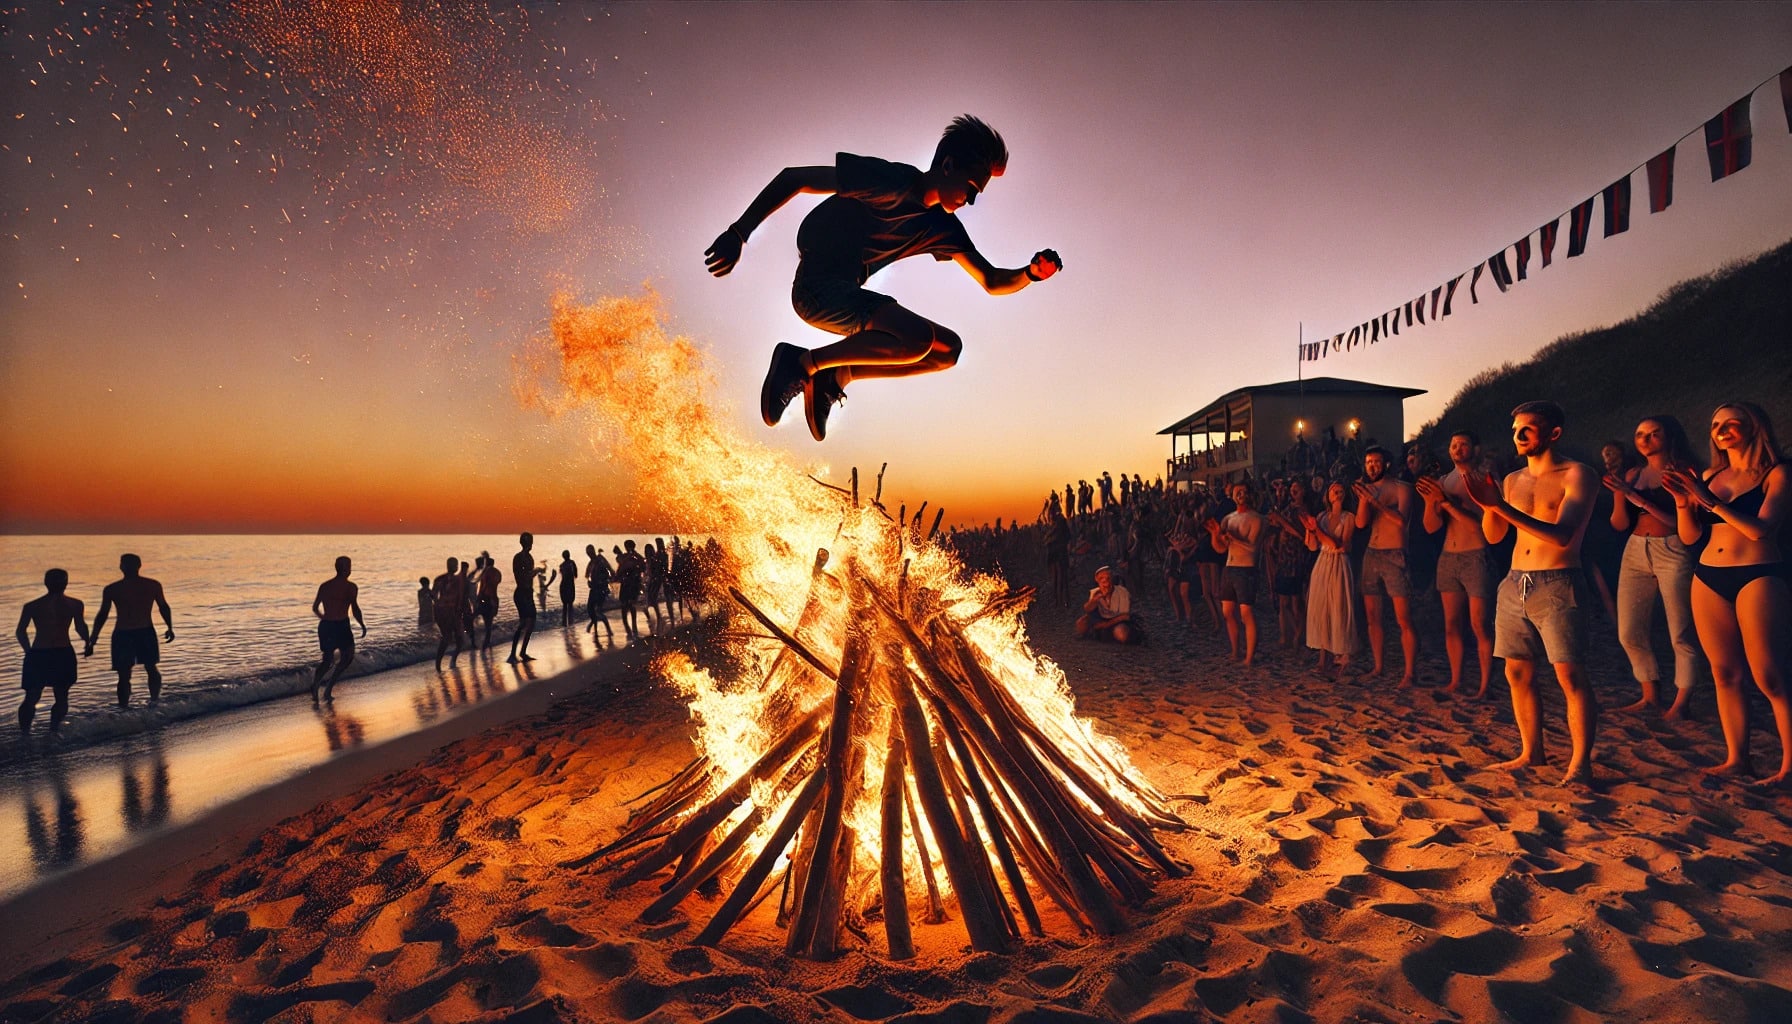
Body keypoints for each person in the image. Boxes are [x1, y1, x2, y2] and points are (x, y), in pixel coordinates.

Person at [707, 115, 1061, 441]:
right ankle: (800, 364)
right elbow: (794, 178)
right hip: (816, 290)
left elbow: (992, 280)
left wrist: (1030, 274)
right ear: (948, 165)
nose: (970, 201)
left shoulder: (942, 227)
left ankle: (836, 375)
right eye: (970, 188)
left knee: (947, 351)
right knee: (917, 338)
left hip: (846, 295)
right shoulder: (892, 181)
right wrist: (738, 233)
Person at [1462, 401, 1600, 785]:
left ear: (1553, 433)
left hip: (1558, 581)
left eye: (1528, 428)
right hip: (1514, 581)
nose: (1519, 435)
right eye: (1515, 430)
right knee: (1517, 671)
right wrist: (1488, 506)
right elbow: (1493, 536)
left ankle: (1579, 765)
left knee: (1569, 675)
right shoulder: (1511, 480)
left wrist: (1499, 506)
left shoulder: (1578, 474)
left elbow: (1562, 536)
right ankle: (1531, 752)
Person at [1662, 402, 1791, 787]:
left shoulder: (1778, 473)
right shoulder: (1711, 474)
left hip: (1758, 574)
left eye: (1732, 421)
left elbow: (1761, 530)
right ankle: (1738, 759)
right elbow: (1689, 537)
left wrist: (1710, 501)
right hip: (1708, 576)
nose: (1721, 428)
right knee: (1724, 673)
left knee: (1769, 674)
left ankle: (1788, 769)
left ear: (1755, 426)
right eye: (1715, 422)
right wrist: (1686, 504)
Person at [1604, 416, 1703, 718]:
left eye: (1653, 433)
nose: (1645, 439)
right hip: (1634, 549)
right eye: (1640, 434)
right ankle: (1650, 694)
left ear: (1670, 436)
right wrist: (1620, 494)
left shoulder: (1686, 472)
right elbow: (1619, 524)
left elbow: (1682, 524)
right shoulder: (1633, 473)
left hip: (1673, 549)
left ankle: (1681, 703)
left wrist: (1637, 497)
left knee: (1681, 631)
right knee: (1629, 630)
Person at [1416, 431, 1496, 698]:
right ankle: (1456, 680)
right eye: (1453, 445)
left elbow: (1479, 527)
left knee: (1479, 625)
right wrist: (1431, 503)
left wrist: (1446, 503)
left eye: (1463, 444)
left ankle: (1485, 685)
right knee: (1451, 624)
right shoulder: (1443, 481)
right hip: (1448, 558)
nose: (1458, 449)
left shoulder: (1484, 480)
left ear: (1475, 448)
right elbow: (1430, 527)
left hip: (1475, 556)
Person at [1354, 446, 1420, 687]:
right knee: (1373, 616)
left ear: (1387, 464)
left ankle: (1410, 672)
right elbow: (1361, 524)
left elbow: (1402, 521)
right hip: (1373, 554)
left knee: (1403, 618)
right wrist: (1364, 500)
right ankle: (1378, 666)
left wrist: (1376, 502)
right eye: (1368, 462)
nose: (1372, 466)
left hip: (1395, 555)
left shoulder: (1402, 488)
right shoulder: (1367, 489)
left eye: (1376, 462)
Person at [85, 553, 175, 708]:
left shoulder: (115, 588)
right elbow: (103, 614)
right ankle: (137, 704)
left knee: (139, 670)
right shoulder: (147, 585)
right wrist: (93, 637)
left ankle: (145, 702)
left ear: (122, 566)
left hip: (134, 632)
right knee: (133, 671)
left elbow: (163, 607)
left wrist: (170, 627)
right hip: (131, 633)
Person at [17, 569, 90, 734]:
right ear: (66, 583)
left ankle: (26, 735)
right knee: (60, 696)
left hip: (40, 653)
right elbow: (80, 627)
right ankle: (52, 731)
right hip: (61, 653)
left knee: (33, 697)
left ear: (46, 583)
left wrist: (28, 651)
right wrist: (88, 642)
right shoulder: (75, 604)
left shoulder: (32, 606)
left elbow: (21, 631)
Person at [1303, 483, 1358, 679]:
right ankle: (1322, 657)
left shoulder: (1349, 517)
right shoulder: (1321, 517)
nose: (1337, 492)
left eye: (1341, 490)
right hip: (1322, 563)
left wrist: (1317, 531)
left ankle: (1342, 655)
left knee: (1339, 606)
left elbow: (1341, 546)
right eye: (1334, 489)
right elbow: (1312, 546)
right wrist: (1310, 530)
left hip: (1339, 563)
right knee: (1321, 607)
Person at [1206, 483, 1263, 666]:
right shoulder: (1228, 518)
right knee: (1228, 612)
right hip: (1229, 568)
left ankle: (1249, 657)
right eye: (1238, 491)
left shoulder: (1255, 519)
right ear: (1232, 495)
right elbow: (1221, 549)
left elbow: (1253, 546)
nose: (1242, 494)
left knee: (1246, 613)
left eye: (1245, 491)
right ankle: (1235, 651)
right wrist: (1215, 535)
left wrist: (1233, 538)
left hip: (1246, 569)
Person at [310, 556, 366, 702]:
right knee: (332, 660)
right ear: (345, 569)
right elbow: (355, 608)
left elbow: (315, 608)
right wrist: (362, 624)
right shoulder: (351, 587)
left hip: (330, 625)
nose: (349, 569)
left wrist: (325, 619)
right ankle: (318, 686)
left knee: (345, 657)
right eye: (348, 566)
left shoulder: (325, 586)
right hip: (338, 625)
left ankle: (326, 688)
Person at [1075, 565, 1138, 644]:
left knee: (1121, 633)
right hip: (1102, 620)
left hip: (1117, 621)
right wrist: (1095, 599)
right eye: (1102, 580)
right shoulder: (1096, 593)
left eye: (1108, 579)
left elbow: (1124, 616)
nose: (1106, 583)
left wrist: (1105, 625)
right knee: (1081, 623)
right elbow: (1088, 609)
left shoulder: (1122, 592)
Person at [509, 533, 539, 663]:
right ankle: (512, 654)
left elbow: (528, 576)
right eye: (530, 542)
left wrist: (533, 573)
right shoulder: (518, 557)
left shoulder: (530, 558)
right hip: (521, 593)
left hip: (528, 593)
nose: (531, 544)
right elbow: (521, 577)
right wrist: (534, 572)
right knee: (523, 623)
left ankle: (522, 652)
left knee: (531, 622)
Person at [432, 557, 467, 668]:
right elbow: (433, 594)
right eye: (454, 565)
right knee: (448, 638)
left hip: (450, 612)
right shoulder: (444, 579)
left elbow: (433, 595)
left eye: (455, 565)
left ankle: (452, 660)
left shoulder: (455, 579)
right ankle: (439, 664)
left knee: (459, 639)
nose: (455, 567)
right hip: (445, 612)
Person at [616, 540, 647, 639]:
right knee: (625, 606)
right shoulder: (626, 557)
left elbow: (643, 567)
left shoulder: (636, 557)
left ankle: (633, 627)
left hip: (632, 584)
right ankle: (629, 628)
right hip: (626, 584)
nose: (628, 549)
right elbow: (620, 564)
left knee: (629, 605)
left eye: (628, 547)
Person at [585, 544, 615, 642]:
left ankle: (608, 630)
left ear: (593, 551)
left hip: (601, 588)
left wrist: (606, 580)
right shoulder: (592, 562)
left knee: (598, 610)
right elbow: (587, 574)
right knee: (590, 609)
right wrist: (589, 581)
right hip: (594, 588)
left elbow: (609, 570)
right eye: (588, 553)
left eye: (590, 553)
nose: (589, 555)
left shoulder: (600, 560)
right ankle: (595, 628)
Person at [475, 553, 502, 650]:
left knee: (473, 617)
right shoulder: (497, 572)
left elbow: (483, 586)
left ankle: (472, 640)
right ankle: (486, 643)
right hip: (494, 599)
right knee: (488, 624)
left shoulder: (485, 573)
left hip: (485, 598)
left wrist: (478, 598)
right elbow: (497, 582)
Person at [558, 550, 579, 627]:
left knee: (565, 606)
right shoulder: (572, 563)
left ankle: (564, 624)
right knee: (570, 605)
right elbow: (576, 575)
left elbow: (562, 574)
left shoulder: (561, 565)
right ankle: (570, 623)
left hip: (563, 586)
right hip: (570, 586)